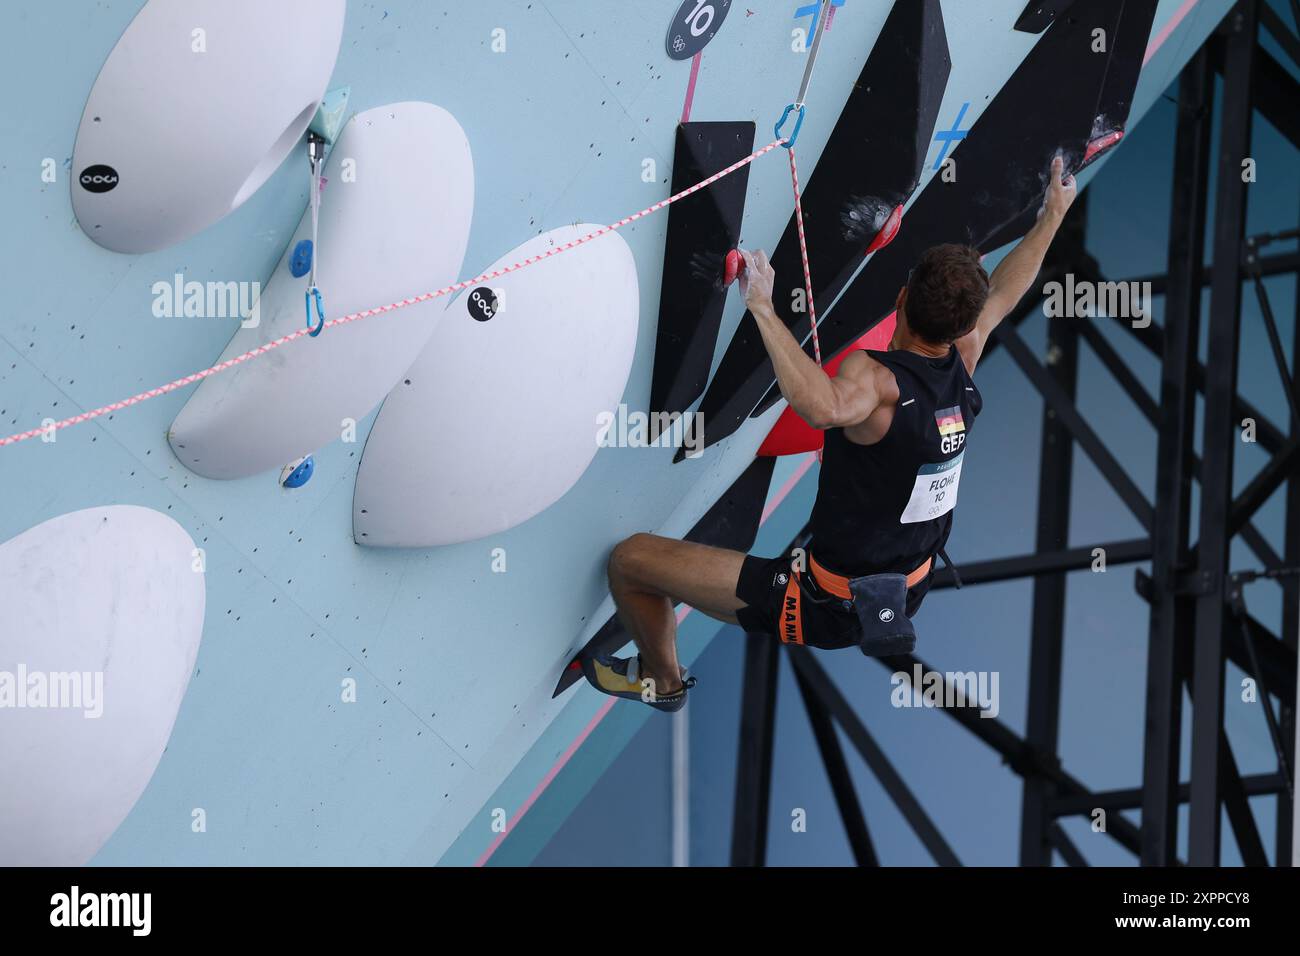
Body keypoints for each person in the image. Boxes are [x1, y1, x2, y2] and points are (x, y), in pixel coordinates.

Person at [583, 157, 1078, 711]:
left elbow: (821, 409)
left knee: (630, 563)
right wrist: (1050, 219)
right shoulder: (962, 360)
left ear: (900, 301)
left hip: (817, 602)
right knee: (682, 578)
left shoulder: (877, 380)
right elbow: (1006, 291)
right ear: (964, 325)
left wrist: (763, 306)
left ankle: (662, 680)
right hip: (899, 592)